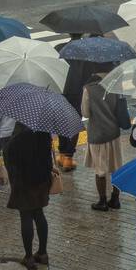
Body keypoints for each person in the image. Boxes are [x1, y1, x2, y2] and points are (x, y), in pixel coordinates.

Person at [3, 127, 53, 270]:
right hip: (41, 180)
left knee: (26, 216)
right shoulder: (44, 130)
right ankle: (43, 253)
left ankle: (29, 256)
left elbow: (8, 153)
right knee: (39, 213)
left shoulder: (20, 132)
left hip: (23, 181)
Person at [83, 75, 127, 211]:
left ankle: (102, 201)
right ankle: (115, 199)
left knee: (100, 170)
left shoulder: (88, 90)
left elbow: (85, 113)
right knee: (116, 167)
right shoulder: (114, 86)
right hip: (114, 132)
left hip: (98, 134)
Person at [56, 35, 88, 171]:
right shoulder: (85, 52)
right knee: (75, 122)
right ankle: (69, 157)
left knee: (61, 121)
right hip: (77, 91)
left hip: (61, 89)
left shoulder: (59, 48)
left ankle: (62, 154)